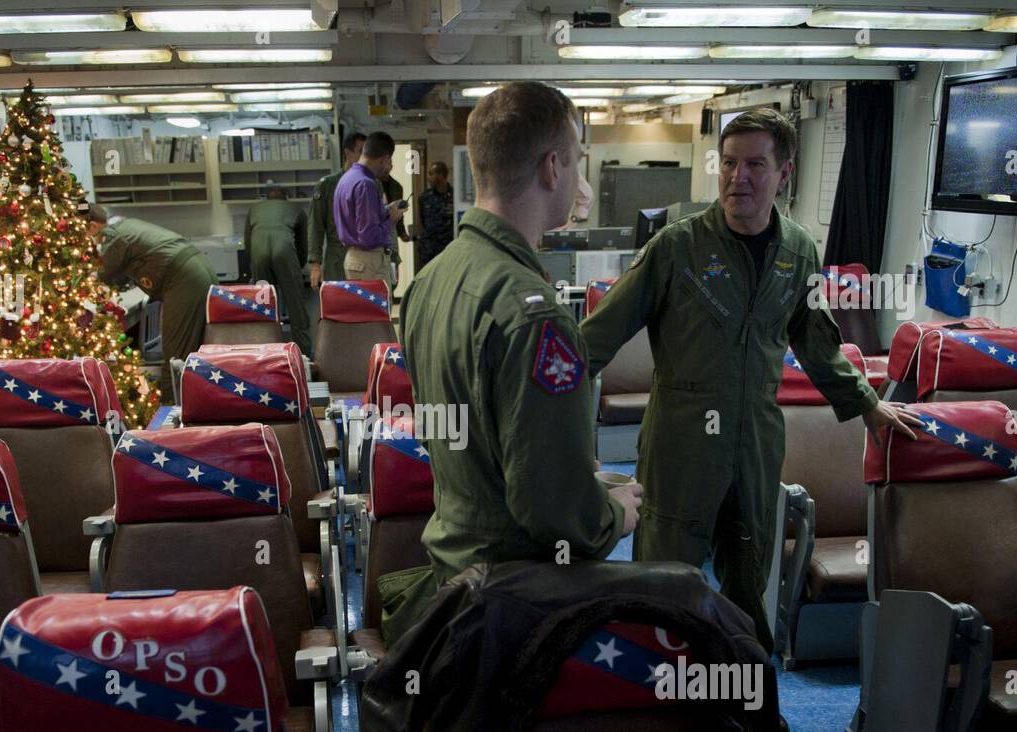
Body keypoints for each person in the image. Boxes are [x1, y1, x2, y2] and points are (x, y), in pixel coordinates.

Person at [580, 107, 921, 656]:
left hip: (757, 441)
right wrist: (547, 405)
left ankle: (747, 705)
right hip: (681, 439)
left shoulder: (799, 250)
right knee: (664, 579)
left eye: (756, 165)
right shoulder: (677, 247)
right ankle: (657, 713)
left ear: (784, 173)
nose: (739, 177)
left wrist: (867, 403)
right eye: (730, 164)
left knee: (747, 580)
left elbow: (815, 343)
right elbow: (595, 339)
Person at [392, 82, 642, 639]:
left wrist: (583, 480)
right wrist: (611, 515)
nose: (578, 178)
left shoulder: (430, 281)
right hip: (522, 598)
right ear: (553, 167)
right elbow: (546, 501)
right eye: (576, 160)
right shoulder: (533, 314)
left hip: (459, 574)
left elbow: (477, 436)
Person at [85, 204, 217, 366]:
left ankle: (174, 391)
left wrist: (85, 274)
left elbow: (104, 273)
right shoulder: (124, 226)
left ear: (93, 227)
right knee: (195, 350)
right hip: (196, 272)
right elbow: (120, 276)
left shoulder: (112, 235)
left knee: (176, 357)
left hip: (184, 280)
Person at [244, 182, 311, 355]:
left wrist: (255, 267)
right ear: (286, 197)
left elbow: (248, 245)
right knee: (296, 309)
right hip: (285, 256)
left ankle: (265, 353)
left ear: (266, 198)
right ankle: (303, 355)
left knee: (263, 307)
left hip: (259, 257)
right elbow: (303, 245)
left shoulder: (254, 209)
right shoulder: (297, 210)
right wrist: (299, 268)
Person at [333, 131, 406, 283]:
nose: (388, 167)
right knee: (376, 307)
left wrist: (386, 211)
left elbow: (357, 220)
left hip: (356, 259)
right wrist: (391, 220)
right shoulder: (365, 184)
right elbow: (368, 236)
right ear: (385, 159)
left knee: (363, 307)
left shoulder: (347, 178)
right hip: (369, 261)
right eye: (389, 162)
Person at [307, 131, 365, 290]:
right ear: (348, 153)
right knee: (337, 308)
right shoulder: (327, 186)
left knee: (364, 310)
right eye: (361, 152)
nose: (365, 157)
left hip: (366, 257)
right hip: (337, 257)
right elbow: (316, 226)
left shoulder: (373, 185)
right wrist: (315, 265)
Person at [416, 160, 454, 268]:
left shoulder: (454, 197)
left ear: (441, 175)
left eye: (431, 174)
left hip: (448, 250)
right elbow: (422, 222)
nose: (428, 177)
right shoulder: (424, 198)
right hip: (428, 251)